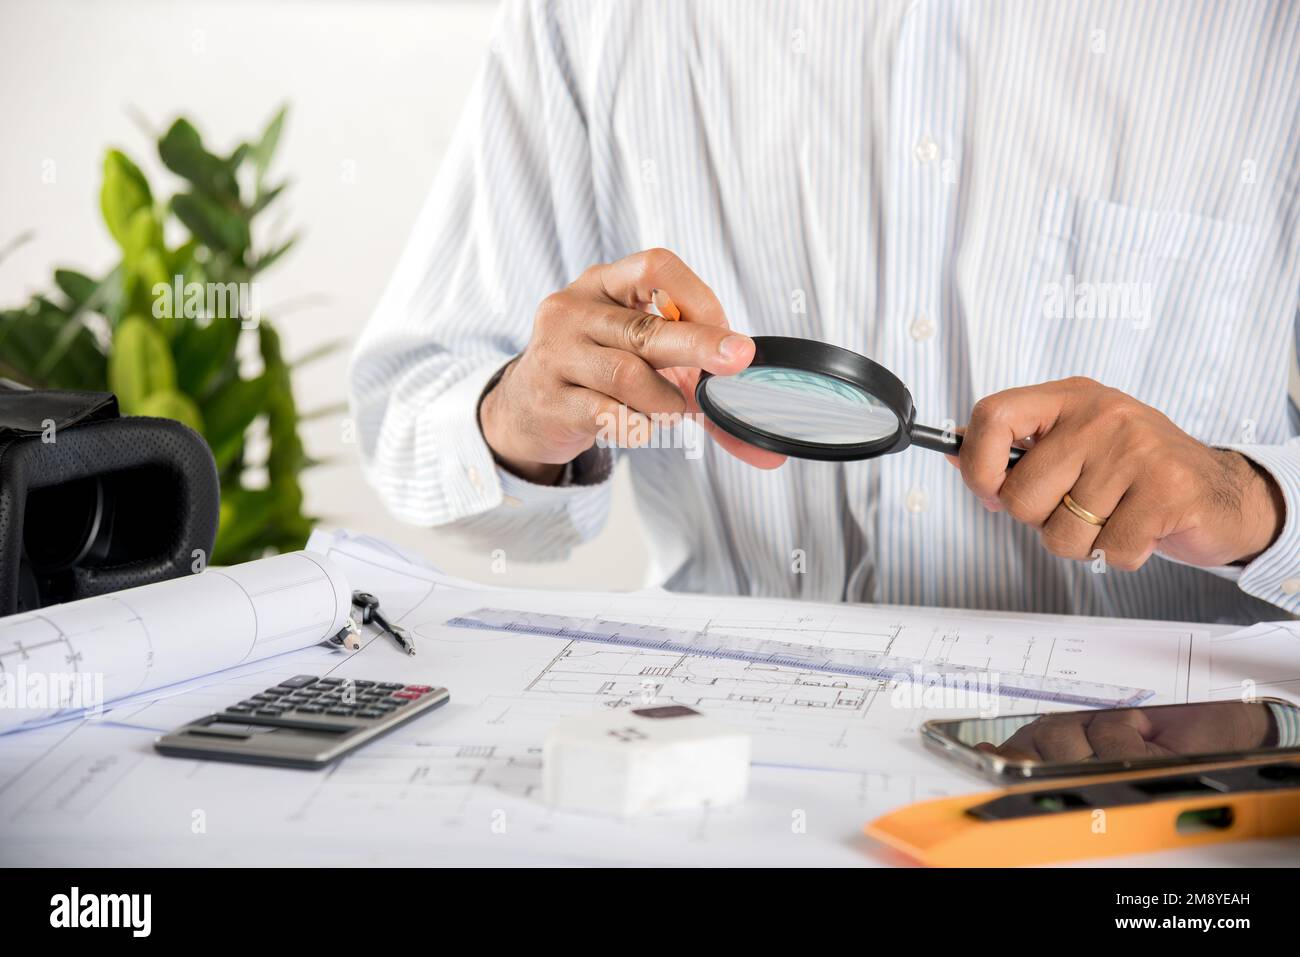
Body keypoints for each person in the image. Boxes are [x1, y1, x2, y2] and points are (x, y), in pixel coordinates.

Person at [350, 0, 1300, 623]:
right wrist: (519, 417)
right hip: (722, 760)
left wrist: (1248, 499)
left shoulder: (1263, 34)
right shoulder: (596, 19)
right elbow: (409, 413)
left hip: (1157, 799)